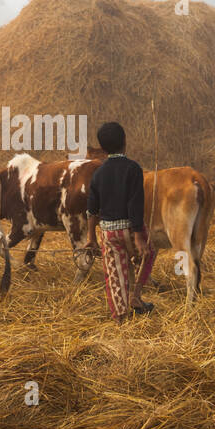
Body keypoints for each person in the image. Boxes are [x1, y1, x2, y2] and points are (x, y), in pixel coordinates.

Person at [85, 121, 156, 322]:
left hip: (108, 234)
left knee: (114, 275)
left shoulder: (98, 173)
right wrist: (140, 237)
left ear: (103, 148)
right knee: (149, 253)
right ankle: (135, 295)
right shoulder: (133, 169)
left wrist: (91, 238)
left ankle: (119, 317)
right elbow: (135, 204)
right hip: (130, 231)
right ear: (125, 141)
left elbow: (91, 210)